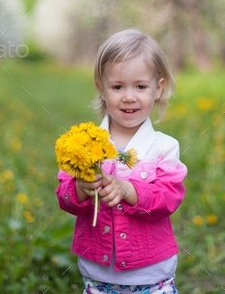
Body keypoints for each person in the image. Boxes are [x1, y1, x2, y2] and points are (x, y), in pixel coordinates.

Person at [56, 29, 187, 294]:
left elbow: (170, 197)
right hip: (98, 274)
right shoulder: (84, 144)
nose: (129, 96)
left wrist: (129, 190)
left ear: (157, 89)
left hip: (151, 275)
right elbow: (64, 197)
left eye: (140, 86)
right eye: (118, 87)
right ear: (101, 89)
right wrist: (81, 187)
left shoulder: (163, 147)